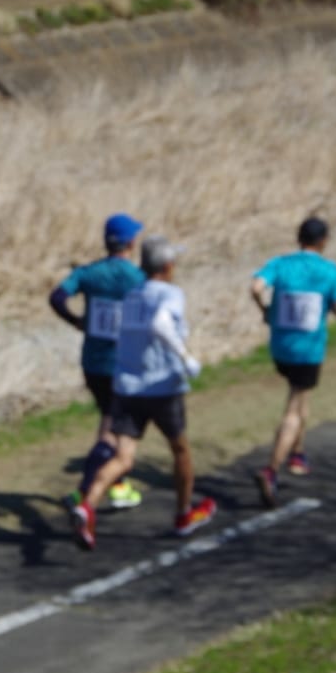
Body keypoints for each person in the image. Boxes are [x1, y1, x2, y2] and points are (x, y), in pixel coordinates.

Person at [71, 236, 216, 551]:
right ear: (167, 266)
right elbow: (162, 323)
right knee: (180, 450)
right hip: (162, 386)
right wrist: (185, 357)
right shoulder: (170, 293)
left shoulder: (132, 295)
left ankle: (88, 504)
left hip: (127, 386)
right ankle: (182, 514)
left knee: (123, 457)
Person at [49, 212, 147, 513]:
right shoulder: (137, 278)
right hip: (124, 364)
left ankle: (117, 484)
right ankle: (86, 492)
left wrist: (76, 320)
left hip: (93, 362)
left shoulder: (89, 273)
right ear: (131, 242)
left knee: (110, 421)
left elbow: (57, 296)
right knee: (115, 430)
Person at [249, 216, 336, 508]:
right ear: (324, 241)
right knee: (294, 408)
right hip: (309, 350)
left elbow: (256, 286)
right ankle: (270, 470)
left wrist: (266, 311)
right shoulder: (330, 271)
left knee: (301, 395)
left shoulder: (280, 263)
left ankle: (298, 454)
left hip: (280, 347)